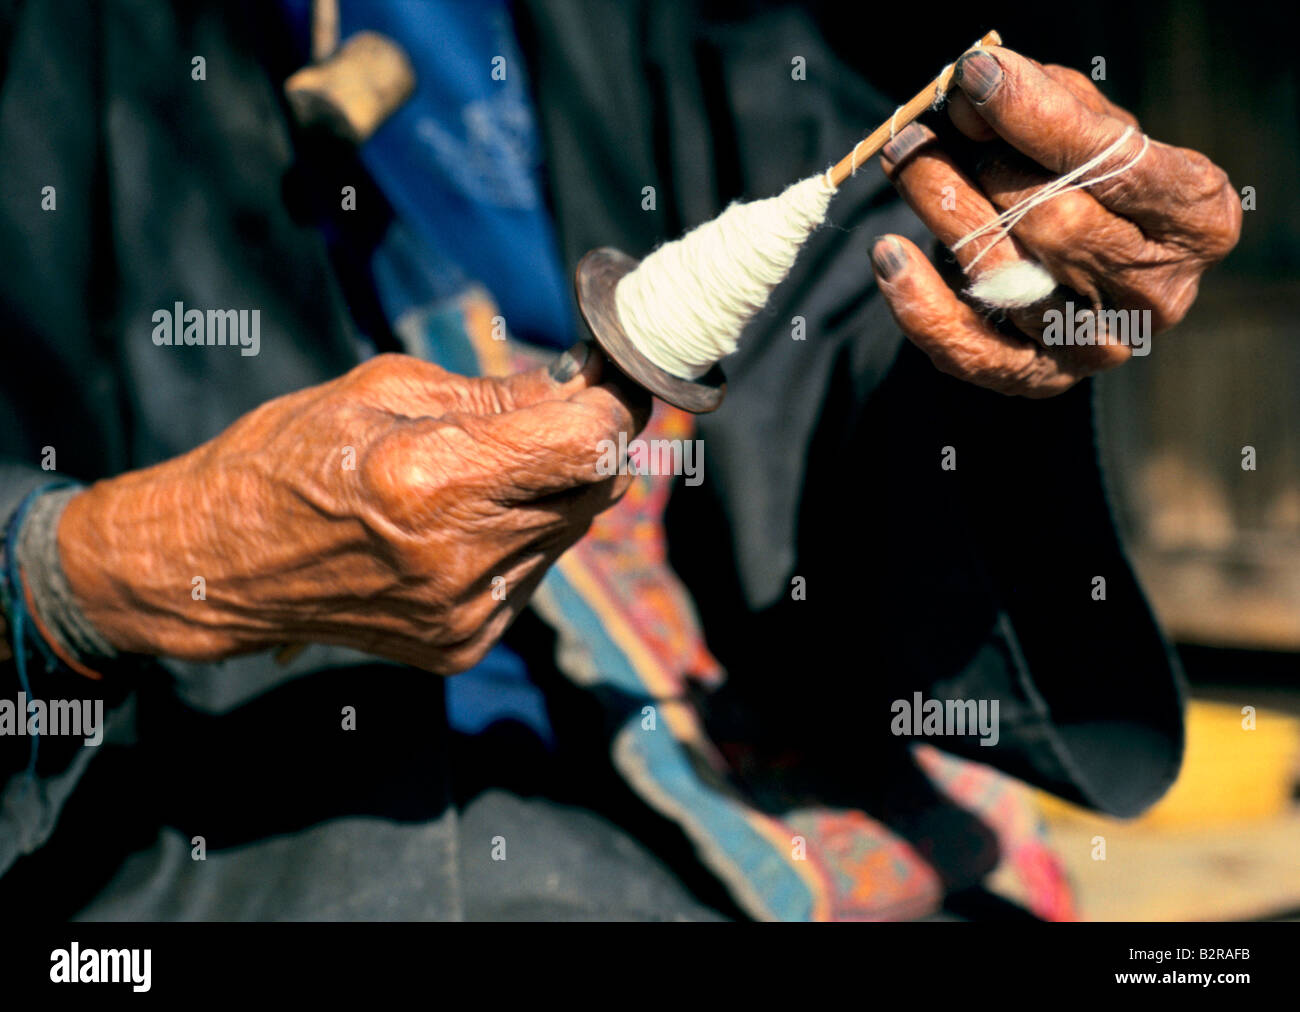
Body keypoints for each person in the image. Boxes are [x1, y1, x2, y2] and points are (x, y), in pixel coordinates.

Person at [0, 1, 1238, 920]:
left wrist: (995, 322)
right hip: (228, 836)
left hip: (713, 741)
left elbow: (835, 325)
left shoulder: (639, 23)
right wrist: (107, 569)